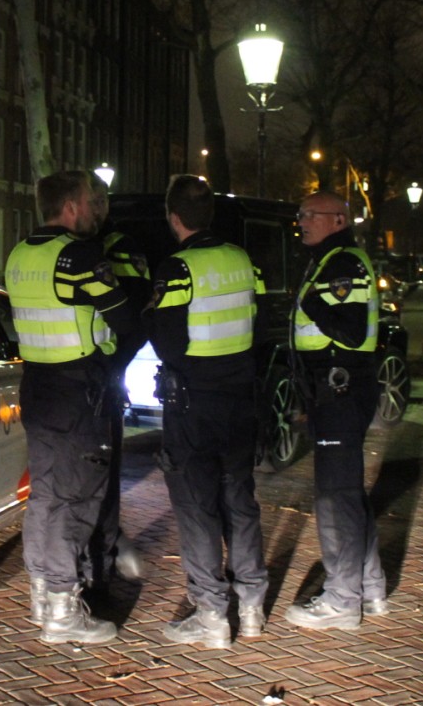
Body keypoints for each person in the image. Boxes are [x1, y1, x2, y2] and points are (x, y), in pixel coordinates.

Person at [4, 169, 140, 645]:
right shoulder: (77, 256)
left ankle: (42, 590)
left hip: (38, 385)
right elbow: (123, 316)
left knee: (45, 493)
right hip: (78, 389)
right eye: (88, 202)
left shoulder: (20, 253)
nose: (93, 210)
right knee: (79, 496)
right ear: (70, 208)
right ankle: (63, 608)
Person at [146, 174, 269, 648]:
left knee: (197, 508)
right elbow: (256, 326)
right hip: (240, 397)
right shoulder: (243, 260)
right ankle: (253, 606)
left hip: (193, 403)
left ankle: (212, 615)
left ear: (173, 218)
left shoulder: (177, 268)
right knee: (239, 500)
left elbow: (170, 342)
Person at [284, 191, 389, 631]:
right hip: (334, 390)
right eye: (301, 213)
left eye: (311, 214)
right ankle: (370, 584)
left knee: (334, 498)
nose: (302, 221)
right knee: (346, 492)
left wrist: (310, 304)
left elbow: (347, 331)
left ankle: (342, 601)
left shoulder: (343, 263)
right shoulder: (330, 260)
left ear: (339, 219)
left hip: (340, 389)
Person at [82, 173, 150, 590]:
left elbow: (137, 319)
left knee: (103, 477)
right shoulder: (71, 251)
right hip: (71, 382)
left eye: (96, 202)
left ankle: (101, 562)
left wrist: (113, 367)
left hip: (102, 381)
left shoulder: (121, 249)